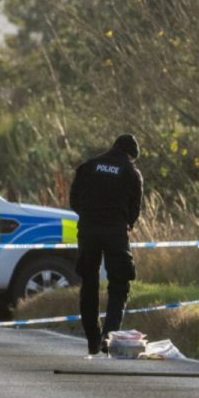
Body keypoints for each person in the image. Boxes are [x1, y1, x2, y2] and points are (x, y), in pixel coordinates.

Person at [68, 133, 143, 356]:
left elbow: (74, 201)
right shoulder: (131, 172)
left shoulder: (88, 167)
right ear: (132, 155)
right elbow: (134, 211)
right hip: (116, 233)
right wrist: (121, 224)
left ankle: (92, 338)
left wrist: (89, 217)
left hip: (88, 232)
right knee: (119, 284)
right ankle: (109, 337)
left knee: (89, 283)